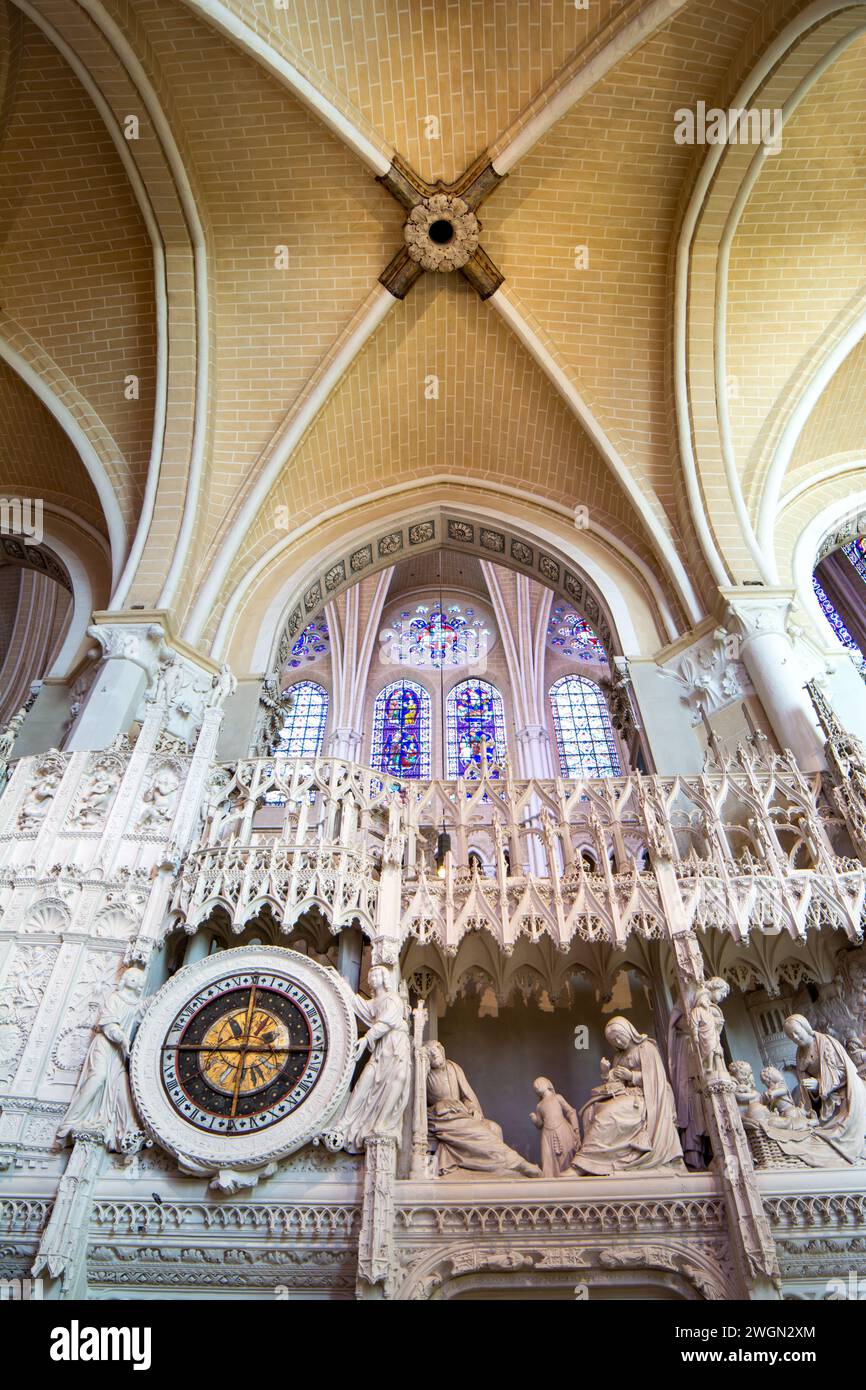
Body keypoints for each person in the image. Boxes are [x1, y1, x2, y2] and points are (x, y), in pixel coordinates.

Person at [571, 1017, 684, 1175]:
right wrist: (606, 1073)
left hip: (645, 1099)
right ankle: (595, 1164)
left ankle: (583, 1163)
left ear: (627, 1031)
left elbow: (656, 1079)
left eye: (619, 1036)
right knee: (591, 1110)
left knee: (607, 1115)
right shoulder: (619, 1057)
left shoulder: (646, 1048)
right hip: (626, 1095)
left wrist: (632, 1076)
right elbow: (616, 1083)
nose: (617, 1041)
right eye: (613, 1040)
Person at [57, 966, 147, 1152]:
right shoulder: (115, 998)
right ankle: (68, 1125)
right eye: (131, 975)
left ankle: (127, 1131)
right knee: (98, 1078)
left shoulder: (136, 1004)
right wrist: (122, 1039)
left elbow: (151, 1005)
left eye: (138, 977)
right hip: (105, 1045)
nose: (133, 977)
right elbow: (108, 1024)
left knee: (123, 1090)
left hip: (119, 1054)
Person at [424, 1041, 540, 1177]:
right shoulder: (425, 1074)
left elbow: (466, 1094)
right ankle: (517, 1163)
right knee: (479, 1132)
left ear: (441, 1050)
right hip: (443, 1116)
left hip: (462, 1112)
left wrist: (473, 1108)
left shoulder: (453, 1067)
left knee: (494, 1128)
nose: (434, 1056)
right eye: (429, 1055)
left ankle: (499, 1169)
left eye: (435, 1052)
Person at [338, 965, 412, 1151]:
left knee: (398, 1079)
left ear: (385, 978)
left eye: (376, 974)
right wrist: (340, 984)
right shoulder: (374, 1003)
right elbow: (358, 1005)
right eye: (370, 975)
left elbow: (386, 1022)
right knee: (364, 1082)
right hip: (381, 1049)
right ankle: (344, 1124)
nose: (372, 978)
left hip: (396, 1044)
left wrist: (366, 1039)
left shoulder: (393, 999)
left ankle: (382, 1123)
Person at [784, 1013, 866, 1163]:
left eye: (796, 1032)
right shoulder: (800, 1053)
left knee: (837, 1130)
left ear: (805, 1027)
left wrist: (820, 1084)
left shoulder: (825, 1043)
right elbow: (804, 1087)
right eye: (790, 1036)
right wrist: (813, 1092)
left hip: (844, 1090)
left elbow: (843, 1072)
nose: (795, 1037)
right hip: (823, 1098)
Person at [530, 1077, 579, 1176]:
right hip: (547, 1135)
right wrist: (534, 1119)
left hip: (562, 1130)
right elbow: (540, 1124)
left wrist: (576, 1129)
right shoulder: (539, 1105)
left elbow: (571, 1112)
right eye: (534, 1086)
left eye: (538, 1083)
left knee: (566, 1157)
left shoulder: (557, 1097)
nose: (536, 1086)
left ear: (547, 1084)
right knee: (548, 1160)